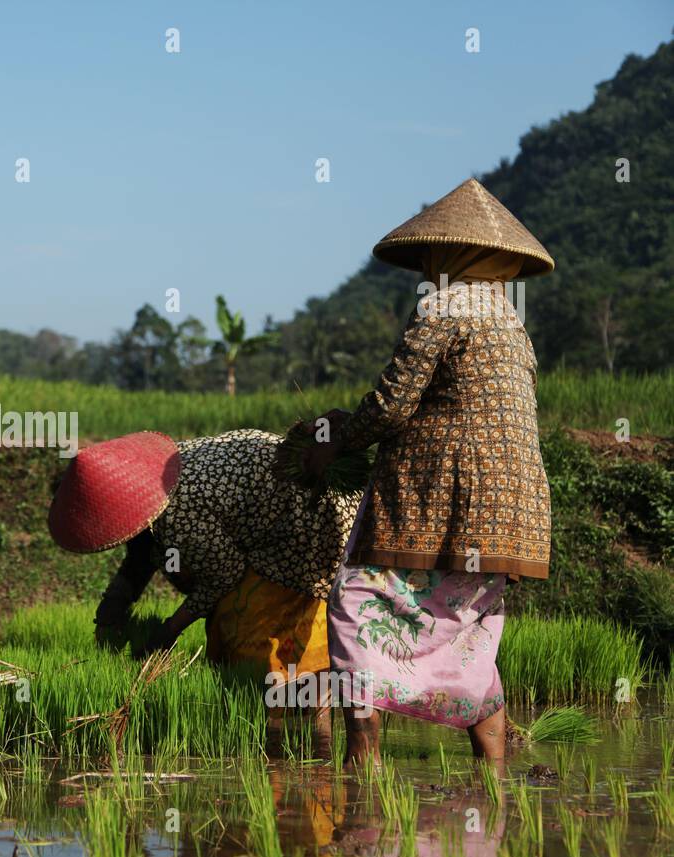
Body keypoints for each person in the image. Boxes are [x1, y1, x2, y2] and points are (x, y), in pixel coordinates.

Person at [302, 178, 555, 767]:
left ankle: (362, 761)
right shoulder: (512, 323)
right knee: (464, 625)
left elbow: (393, 404)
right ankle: (493, 776)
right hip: (513, 515)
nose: (424, 273)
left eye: (430, 260)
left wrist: (336, 440)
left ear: (453, 256)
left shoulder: (446, 306)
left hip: (442, 498)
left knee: (356, 602)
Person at [48, 429, 361, 741]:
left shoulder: (177, 514)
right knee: (244, 636)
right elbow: (142, 553)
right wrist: (111, 608)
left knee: (256, 644)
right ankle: (300, 735)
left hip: (309, 520)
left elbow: (225, 575)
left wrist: (169, 630)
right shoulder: (155, 481)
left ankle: (296, 743)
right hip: (284, 504)